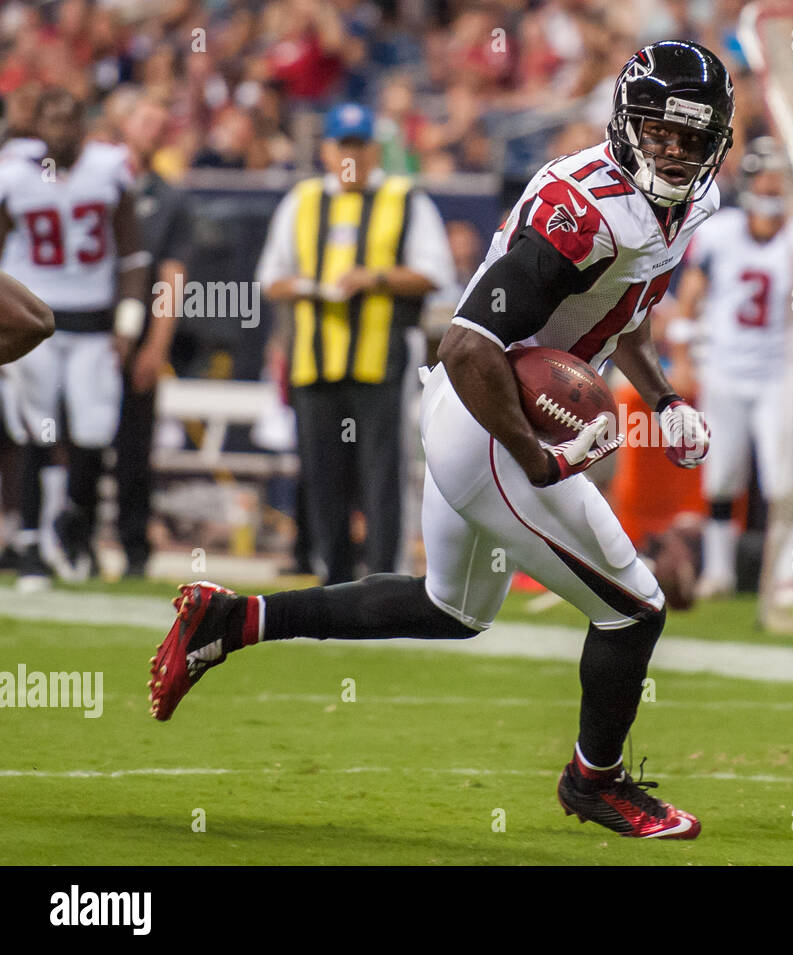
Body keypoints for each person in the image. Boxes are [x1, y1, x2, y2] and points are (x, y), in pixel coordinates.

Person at [150, 40, 732, 840]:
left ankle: (234, 620)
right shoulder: (588, 211)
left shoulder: (681, 204)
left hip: (481, 410)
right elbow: (466, 343)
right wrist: (540, 458)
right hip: (490, 416)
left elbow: (625, 311)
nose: (672, 150)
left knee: (451, 609)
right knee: (635, 609)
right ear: (626, 124)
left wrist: (662, 397)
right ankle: (595, 781)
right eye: (658, 132)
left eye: (690, 138)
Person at [256, 102, 454, 585]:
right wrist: (308, 285)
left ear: (373, 149)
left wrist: (374, 278)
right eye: (342, 146)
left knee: (382, 475)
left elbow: (436, 276)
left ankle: (385, 577)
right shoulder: (302, 201)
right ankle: (334, 576)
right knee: (323, 476)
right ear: (325, 151)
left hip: (380, 359)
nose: (351, 156)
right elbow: (270, 279)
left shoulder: (405, 199)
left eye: (359, 146)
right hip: (314, 361)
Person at [0, 89, 148, 589]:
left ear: (83, 125)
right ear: (38, 123)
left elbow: (131, 254)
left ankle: (72, 528)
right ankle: (28, 543)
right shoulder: (16, 173)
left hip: (92, 321)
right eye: (52, 119)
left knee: (91, 434)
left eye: (69, 119)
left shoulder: (108, 168)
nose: (61, 129)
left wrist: (129, 325)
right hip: (30, 319)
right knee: (35, 432)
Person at [673, 137, 793, 605]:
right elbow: (688, 301)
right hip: (724, 368)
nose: (772, 184)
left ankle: (788, 575)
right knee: (720, 476)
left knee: (783, 479)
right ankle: (718, 572)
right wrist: (682, 358)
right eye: (765, 174)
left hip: (781, 373)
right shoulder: (721, 232)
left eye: (779, 175)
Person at [114, 91, 193, 579]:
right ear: (122, 121)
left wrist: (157, 344)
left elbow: (172, 276)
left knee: (133, 446)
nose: (152, 131)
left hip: (140, 332)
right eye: (145, 119)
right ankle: (61, 538)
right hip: (85, 330)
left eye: (160, 125)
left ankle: (132, 546)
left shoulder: (171, 198)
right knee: (67, 442)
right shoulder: (96, 185)